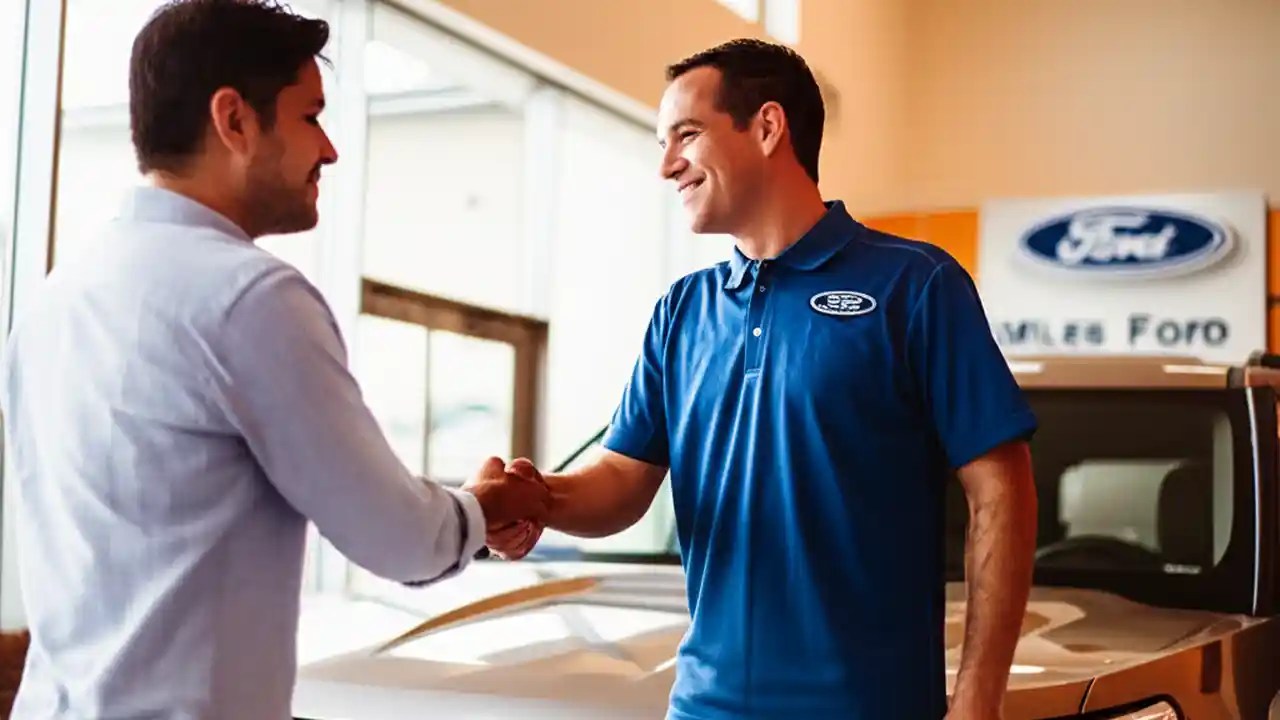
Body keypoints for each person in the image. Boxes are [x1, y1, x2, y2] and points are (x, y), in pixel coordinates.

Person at [0, 2, 547, 718]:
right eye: (310, 116)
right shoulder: (249, 297)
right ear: (234, 120)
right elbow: (400, 537)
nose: (329, 150)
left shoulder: (53, 300)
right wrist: (485, 510)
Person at [488, 39, 1039, 719]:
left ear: (769, 127)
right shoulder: (681, 313)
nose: (666, 166)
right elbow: (623, 482)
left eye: (686, 135)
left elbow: (1001, 494)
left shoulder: (916, 286)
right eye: (662, 142)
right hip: (703, 707)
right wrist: (538, 498)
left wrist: (978, 700)